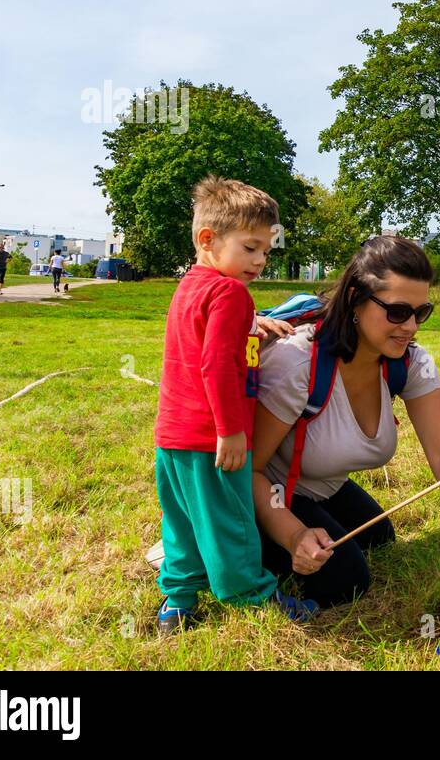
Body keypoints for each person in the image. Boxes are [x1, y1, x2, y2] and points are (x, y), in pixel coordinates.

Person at [252, 237, 440, 611]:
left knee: (380, 536)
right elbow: (247, 471)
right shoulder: (298, 364)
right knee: (347, 578)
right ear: (356, 298)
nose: (411, 327)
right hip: (267, 492)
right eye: (398, 312)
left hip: (323, 485)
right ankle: (220, 549)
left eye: (422, 313)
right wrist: (294, 535)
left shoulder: (408, 362)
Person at [153, 176, 317, 636]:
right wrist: (231, 431)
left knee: (182, 521)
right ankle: (252, 594)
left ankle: (179, 599)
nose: (261, 260)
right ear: (209, 239)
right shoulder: (230, 293)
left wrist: (252, 322)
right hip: (213, 438)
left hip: (173, 436)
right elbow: (218, 368)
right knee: (232, 521)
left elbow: (207, 334)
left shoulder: (193, 285)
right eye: (251, 248)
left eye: (266, 249)